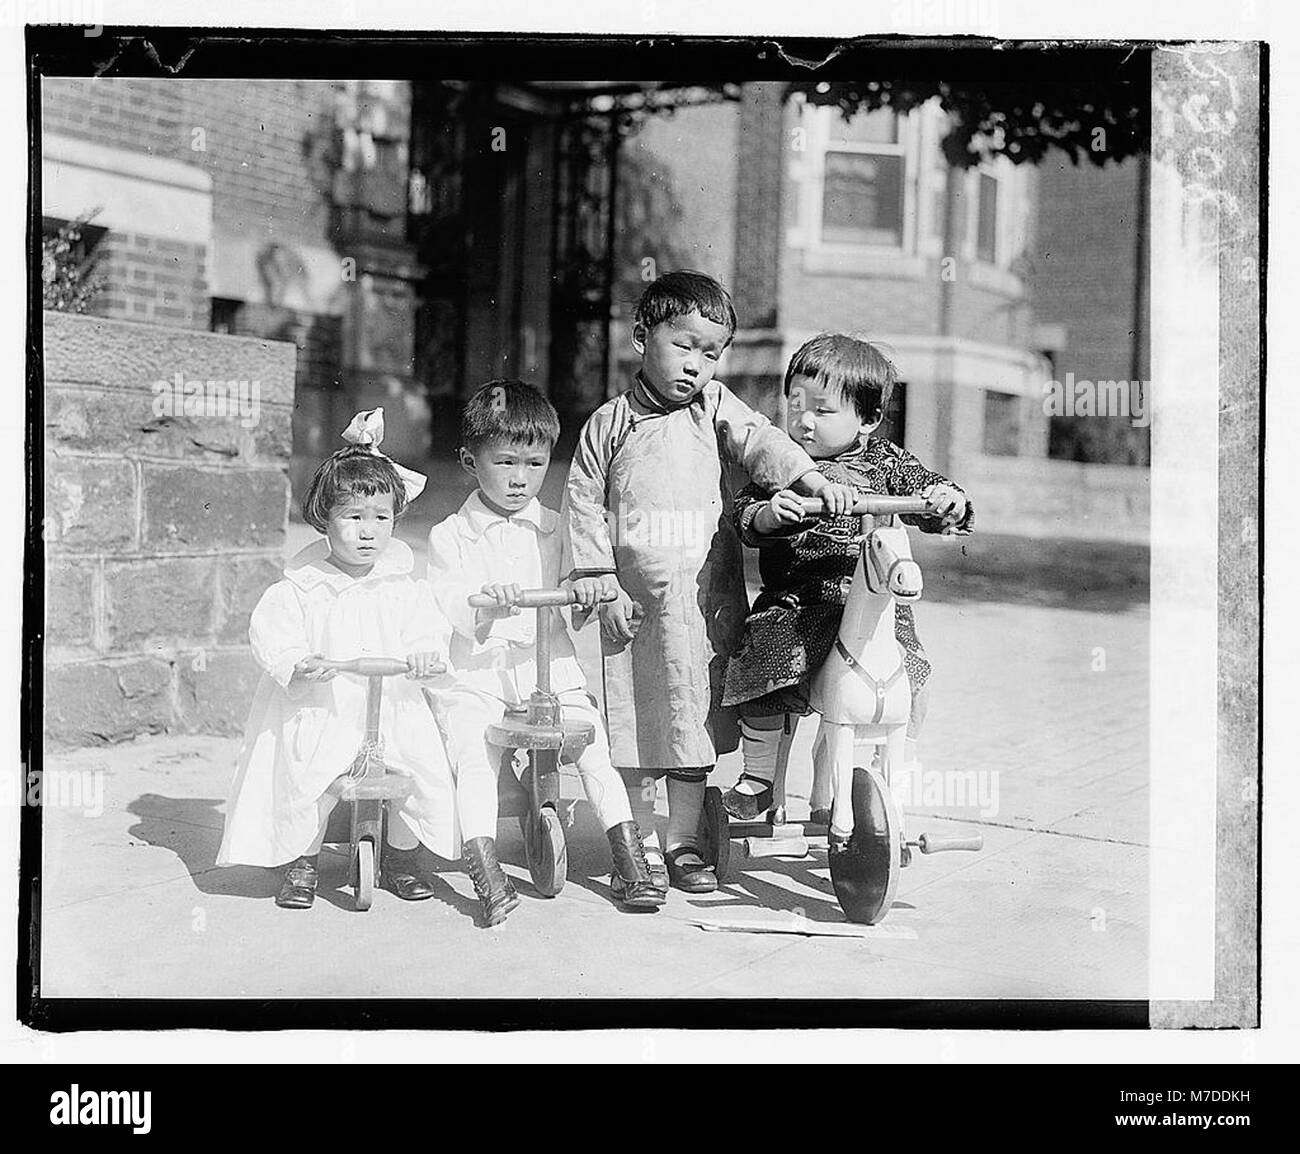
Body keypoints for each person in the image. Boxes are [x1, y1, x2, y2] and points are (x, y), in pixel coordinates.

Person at [562, 270, 855, 894]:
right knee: (641, 726)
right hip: (635, 609)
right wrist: (600, 580)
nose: (696, 364)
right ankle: (635, 844)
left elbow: (760, 439)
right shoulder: (608, 425)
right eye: (684, 345)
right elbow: (584, 502)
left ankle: (683, 842)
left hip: (706, 600)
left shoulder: (713, 408)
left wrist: (807, 478)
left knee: (692, 725)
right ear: (643, 337)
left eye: (711, 352)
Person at [426, 380, 666, 926]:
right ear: (469, 460)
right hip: (480, 669)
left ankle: (628, 859)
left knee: (591, 743)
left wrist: (587, 589)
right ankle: (485, 870)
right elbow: (449, 605)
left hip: (546, 661)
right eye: (504, 461)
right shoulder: (451, 536)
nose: (519, 479)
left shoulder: (557, 530)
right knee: (474, 753)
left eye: (534, 464)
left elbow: (583, 584)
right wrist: (486, 605)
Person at [720, 333, 974, 824]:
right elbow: (746, 513)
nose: (803, 420)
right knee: (766, 654)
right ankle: (758, 776)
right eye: (795, 405)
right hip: (800, 600)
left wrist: (946, 499)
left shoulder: (886, 461)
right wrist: (772, 514)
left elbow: (925, 488)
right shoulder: (785, 464)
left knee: (913, 676)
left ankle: (890, 775)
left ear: (869, 419)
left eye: (822, 409)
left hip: (872, 605)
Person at [217, 409, 459, 909]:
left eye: (381, 518)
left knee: (413, 771)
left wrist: (424, 656)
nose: (368, 532)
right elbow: (272, 630)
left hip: (390, 702)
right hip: (325, 704)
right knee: (314, 777)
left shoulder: (402, 585)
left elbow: (428, 627)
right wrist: (298, 661)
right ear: (325, 518)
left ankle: (402, 856)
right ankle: (302, 859)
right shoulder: (304, 586)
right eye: (353, 517)